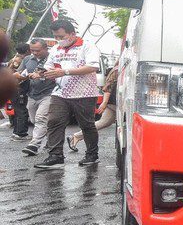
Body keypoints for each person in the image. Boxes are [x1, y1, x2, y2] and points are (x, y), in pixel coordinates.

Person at [34, 20, 102, 170]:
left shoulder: (87, 46)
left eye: (61, 36)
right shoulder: (56, 49)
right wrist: (42, 73)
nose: (58, 40)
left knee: (86, 125)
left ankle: (92, 155)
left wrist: (64, 71)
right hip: (60, 93)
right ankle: (56, 156)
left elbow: (93, 66)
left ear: (72, 34)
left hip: (84, 93)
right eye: (56, 37)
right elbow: (48, 67)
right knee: (54, 122)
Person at [17, 39, 55, 156]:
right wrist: (22, 76)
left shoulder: (52, 58)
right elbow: (19, 73)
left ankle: (34, 145)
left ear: (45, 48)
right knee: (34, 121)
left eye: (37, 50)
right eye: (32, 50)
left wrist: (41, 75)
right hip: (32, 94)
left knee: (40, 118)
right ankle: (52, 140)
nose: (34, 53)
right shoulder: (27, 59)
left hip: (49, 94)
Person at [69, 66, 117, 152]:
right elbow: (108, 88)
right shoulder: (117, 69)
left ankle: (76, 136)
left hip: (116, 102)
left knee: (104, 122)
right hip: (114, 102)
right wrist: (104, 102)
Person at [9, 43, 30, 140]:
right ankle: (21, 133)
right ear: (27, 51)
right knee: (22, 111)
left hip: (14, 87)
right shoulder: (20, 60)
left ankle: (16, 132)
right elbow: (20, 75)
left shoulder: (14, 59)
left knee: (18, 110)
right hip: (18, 88)